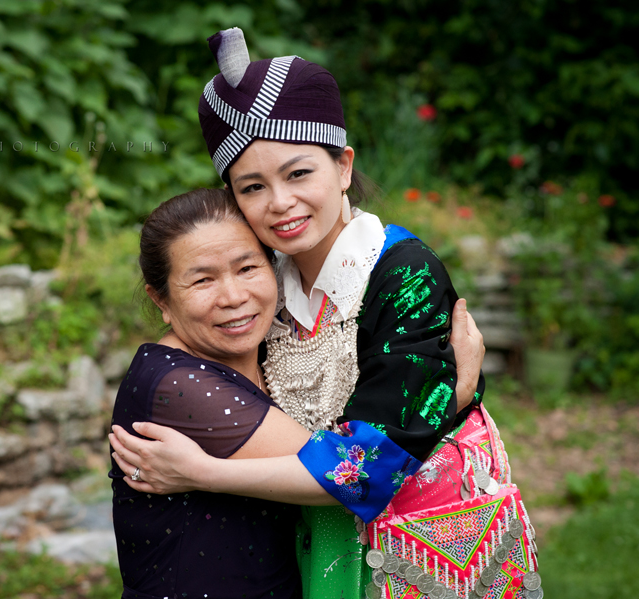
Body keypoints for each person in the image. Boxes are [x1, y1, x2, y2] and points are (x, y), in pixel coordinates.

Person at [112, 27, 540, 599]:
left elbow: (368, 467)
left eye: (299, 173)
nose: (280, 203)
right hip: (329, 547)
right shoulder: (268, 289)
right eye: (252, 186)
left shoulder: (402, 274)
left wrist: (201, 473)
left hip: (433, 549)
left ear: (342, 166)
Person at [109, 187, 484, 599]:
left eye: (248, 268)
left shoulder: (272, 353)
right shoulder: (182, 387)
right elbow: (352, 474)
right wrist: (453, 397)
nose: (234, 297)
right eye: (202, 280)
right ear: (161, 300)